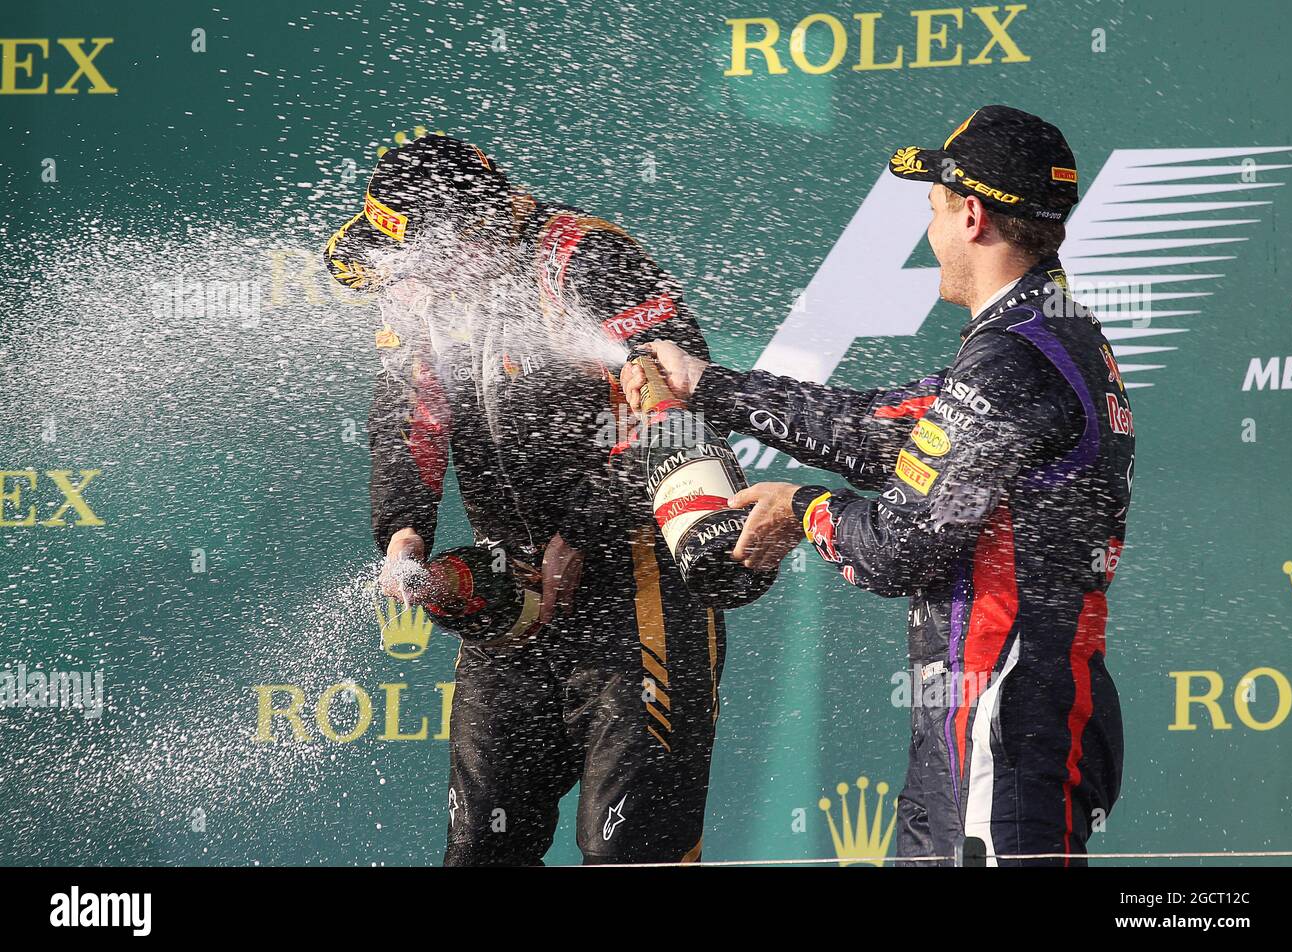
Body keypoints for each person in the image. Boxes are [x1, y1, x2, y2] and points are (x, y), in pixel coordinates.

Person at [622, 106, 1135, 866]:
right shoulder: (1042, 333)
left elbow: (904, 546)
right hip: (986, 717)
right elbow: (875, 428)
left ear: (971, 214)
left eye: (931, 209)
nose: (927, 234)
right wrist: (710, 386)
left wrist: (802, 509)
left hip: (1003, 716)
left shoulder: (1013, 361)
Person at [324, 132, 726, 865]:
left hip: (635, 587)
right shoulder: (419, 292)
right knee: (482, 848)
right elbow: (410, 409)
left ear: (472, 233)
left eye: (418, 255)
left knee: (630, 851)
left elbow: (682, 410)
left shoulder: (587, 259)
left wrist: (582, 529)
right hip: (514, 595)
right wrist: (404, 530)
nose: (404, 275)